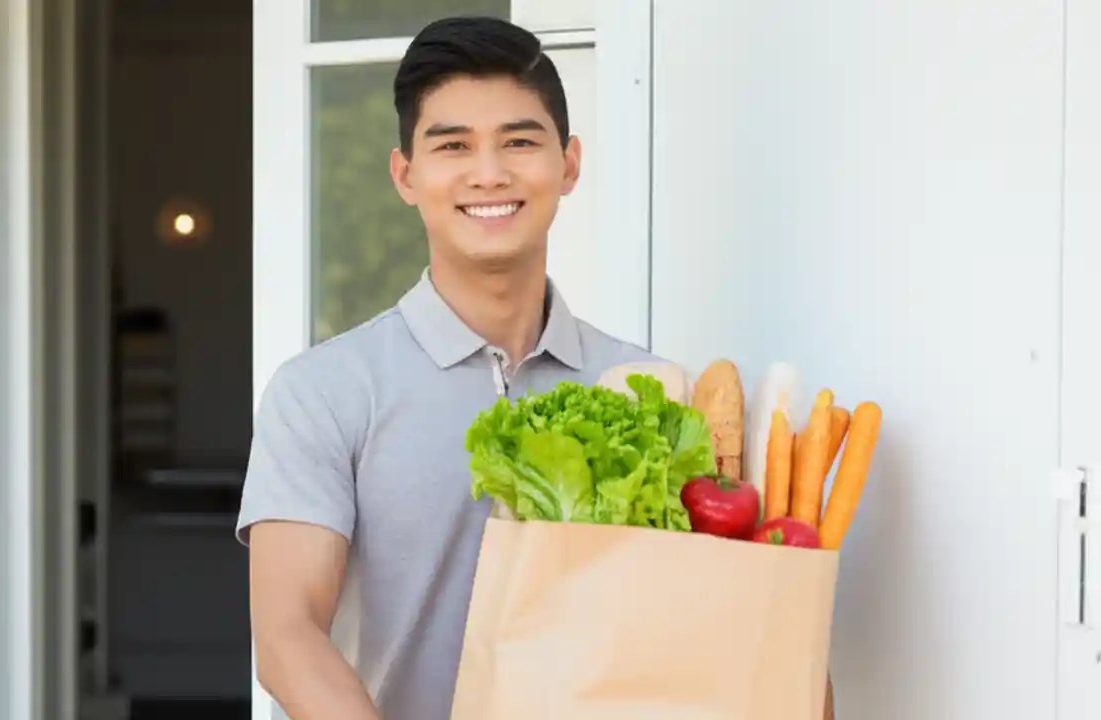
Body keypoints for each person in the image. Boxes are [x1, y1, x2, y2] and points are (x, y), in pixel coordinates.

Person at [237, 15, 836, 720]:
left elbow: (722, 628)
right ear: (406, 175)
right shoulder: (324, 392)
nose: (489, 172)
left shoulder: (657, 395)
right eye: (452, 145)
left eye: (519, 141)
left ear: (569, 164)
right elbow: (286, 637)